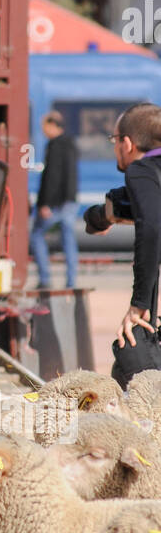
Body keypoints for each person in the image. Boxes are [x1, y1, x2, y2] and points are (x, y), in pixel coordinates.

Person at [93, 102, 161, 351]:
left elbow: (152, 228)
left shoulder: (141, 171)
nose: (115, 147)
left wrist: (139, 303)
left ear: (128, 143)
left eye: (115, 139)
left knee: (131, 358)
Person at [30, 110, 79, 290]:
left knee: (36, 236)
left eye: (44, 126)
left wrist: (45, 203)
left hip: (55, 203)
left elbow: (52, 177)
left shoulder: (54, 145)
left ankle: (44, 278)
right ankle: (71, 281)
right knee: (68, 241)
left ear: (52, 125)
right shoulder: (71, 144)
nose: (42, 131)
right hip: (70, 200)